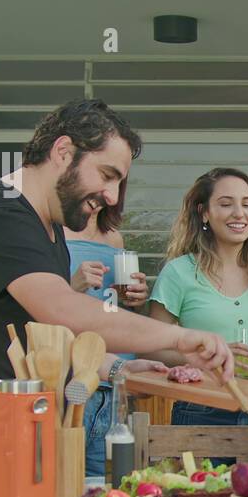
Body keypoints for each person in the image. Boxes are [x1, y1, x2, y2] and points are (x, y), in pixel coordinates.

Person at [0, 98, 232, 426]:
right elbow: (64, 311)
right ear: (63, 151)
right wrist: (178, 338)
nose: (112, 196)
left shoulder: (48, 229)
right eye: (107, 175)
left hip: (19, 434)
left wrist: (118, 368)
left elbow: (54, 336)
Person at [147, 168, 248, 429]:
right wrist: (209, 354)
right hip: (200, 409)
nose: (239, 213)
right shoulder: (178, 273)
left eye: (247, 205)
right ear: (204, 212)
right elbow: (153, 348)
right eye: (226, 204)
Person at [64, 185, 151, 477]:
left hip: (115, 384)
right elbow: (39, 306)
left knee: (112, 483)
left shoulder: (114, 236)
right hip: (72, 383)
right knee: (64, 485)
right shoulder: (51, 232)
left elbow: (110, 307)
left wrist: (135, 300)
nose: (108, 192)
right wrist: (72, 286)